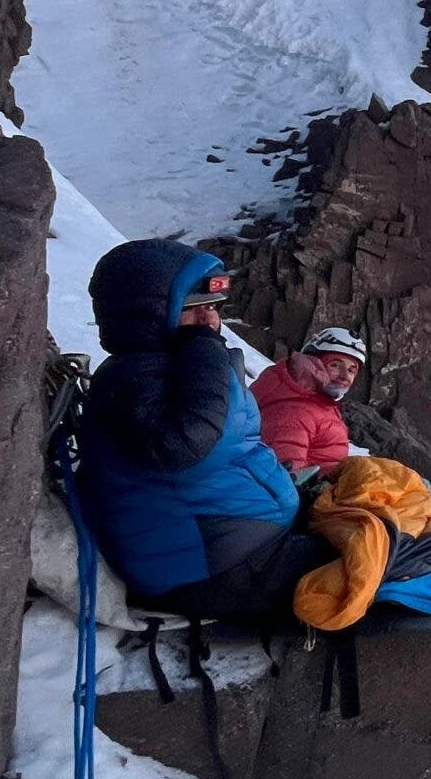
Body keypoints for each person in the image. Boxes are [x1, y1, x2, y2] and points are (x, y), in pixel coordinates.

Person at [75, 239, 327, 620]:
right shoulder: (136, 381)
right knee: (391, 558)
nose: (210, 321)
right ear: (151, 315)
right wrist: (206, 350)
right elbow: (185, 446)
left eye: (212, 308)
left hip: (229, 547)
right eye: (194, 310)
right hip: (209, 569)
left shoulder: (169, 369)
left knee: (378, 517)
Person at [251, 326, 367, 478]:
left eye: (352, 370)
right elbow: (286, 475)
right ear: (313, 363)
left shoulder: (317, 404)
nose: (345, 376)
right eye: (335, 365)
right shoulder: (296, 409)